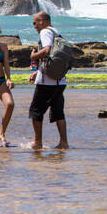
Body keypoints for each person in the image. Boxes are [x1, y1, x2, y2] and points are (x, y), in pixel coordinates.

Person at [27, 12, 68, 150]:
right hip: (60, 80)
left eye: (35, 23)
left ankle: (37, 142)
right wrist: (37, 72)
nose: (34, 27)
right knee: (58, 112)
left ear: (43, 21)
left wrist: (33, 56)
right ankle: (64, 142)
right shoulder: (56, 32)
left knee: (36, 111)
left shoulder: (45, 32)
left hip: (46, 82)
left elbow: (46, 50)